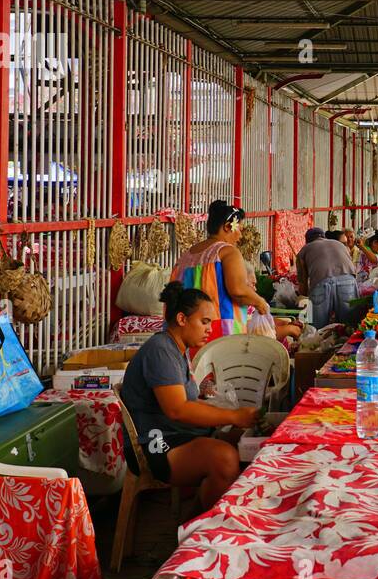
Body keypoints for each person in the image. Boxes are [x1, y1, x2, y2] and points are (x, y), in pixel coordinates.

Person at [119, 282, 256, 511]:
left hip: (175, 434)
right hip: (153, 443)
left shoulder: (177, 349)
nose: (209, 329)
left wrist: (229, 416)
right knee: (224, 459)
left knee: (243, 441)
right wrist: (233, 416)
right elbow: (177, 409)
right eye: (204, 322)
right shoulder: (161, 350)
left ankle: (198, 515)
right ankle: (200, 529)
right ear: (182, 319)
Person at [172, 200, 292, 343]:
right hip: (218, 331)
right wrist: (260, 302)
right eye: (239, 228)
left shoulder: (187, 255)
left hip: (186, 332)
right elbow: (238, 291)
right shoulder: (226, 251)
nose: (240, 235)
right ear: (228, 227)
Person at [296, 224, 358, 327]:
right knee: (349, 326)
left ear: (308, 240)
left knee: (316, 327)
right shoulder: (339, 244)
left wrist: (302, 299)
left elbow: (303, 284)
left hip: (321, 282)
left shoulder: (304, 250)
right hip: (348, 281)